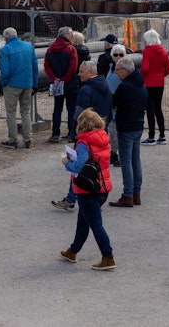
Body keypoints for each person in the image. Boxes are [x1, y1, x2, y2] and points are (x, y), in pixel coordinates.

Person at [59, 109, 115, 271]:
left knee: (95, 224)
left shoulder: (84, 142)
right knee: (83, 221)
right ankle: (73, 251)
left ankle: (108, 256)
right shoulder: (104, 138)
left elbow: (78, 165)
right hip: (103, 186)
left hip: (87, 189)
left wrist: (66, 163)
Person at [52, 62, 111, 210]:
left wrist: (74, 132)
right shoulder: (105, 86)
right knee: (96, 166)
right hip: (101, 132)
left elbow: (78, 114)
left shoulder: (85, 90)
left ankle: (73, 198)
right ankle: (92, 194)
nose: (79, 74)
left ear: (90, 72)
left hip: (87, 134)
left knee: (78, 167)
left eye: (81, 71)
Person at [110, 56, 146, 207]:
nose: (116, 73)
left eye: (117, 70)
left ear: (125, 71)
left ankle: (128, 194)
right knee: (135, 160)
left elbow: (114, 103)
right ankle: (136, 193)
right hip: (138, 125)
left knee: (125, 161)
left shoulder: (124, 87)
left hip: (126, 126)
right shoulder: (140, 84)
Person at [0, 27, 38, 150]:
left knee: (11, 112)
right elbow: (35, 66)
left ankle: (13, 140)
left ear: (6, 37)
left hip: (12, 85)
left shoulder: (6, 49)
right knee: (25, 112)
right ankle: (28, 139)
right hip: (27, 83)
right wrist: (34, 84)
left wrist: (4, 83)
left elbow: (5, 71)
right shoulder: (28, 47)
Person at [44, 26, 78, 143]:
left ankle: (55, 133)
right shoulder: (71, 49)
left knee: (57, 108)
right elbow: (73, 67)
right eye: (71, 34)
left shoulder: (50, 49)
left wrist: (54, 78)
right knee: (71, 108)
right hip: (70, 83)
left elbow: (46, 66)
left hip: (56, 83)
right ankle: (71, 133)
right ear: (66, 35)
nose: (72, 36)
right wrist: (64, 78)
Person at [140, 28, 169, 145]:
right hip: (159, 83)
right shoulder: (163, 51)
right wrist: (160, 75)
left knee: (150, 110)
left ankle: (151, 136)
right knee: (158, 109)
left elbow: (145, 68)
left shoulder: (147, 51)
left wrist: (140, 74)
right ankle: (162, 135)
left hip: (149, 83)